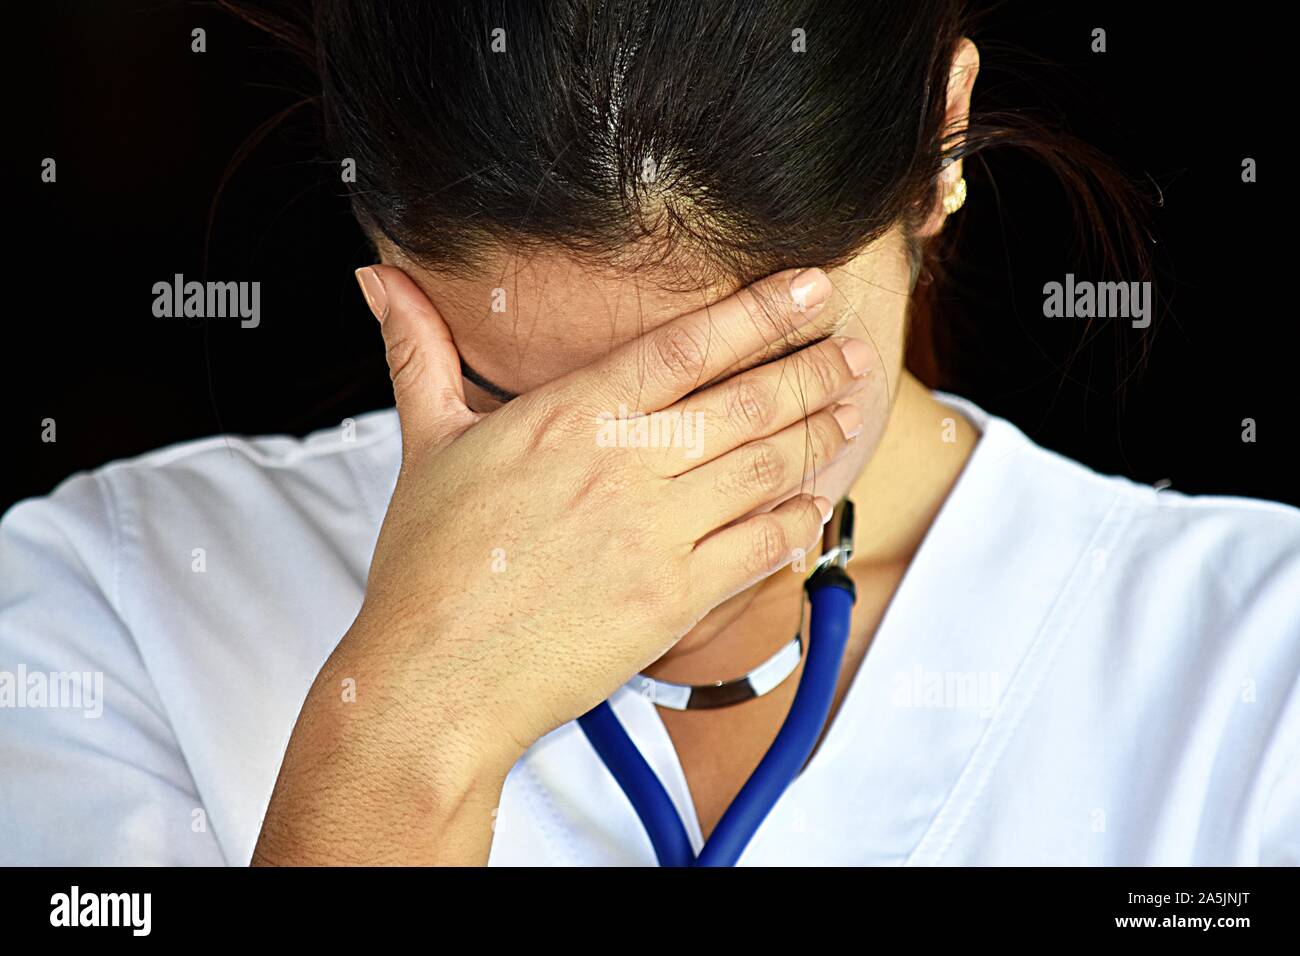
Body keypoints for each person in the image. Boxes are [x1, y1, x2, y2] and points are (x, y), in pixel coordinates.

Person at [2, 0, 1296, 866]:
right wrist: (402, 738)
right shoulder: (106, 608)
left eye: (754, 386)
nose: (643, 507)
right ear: (378, 249)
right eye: (519, 413)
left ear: (939, 143)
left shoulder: (1260, 661)